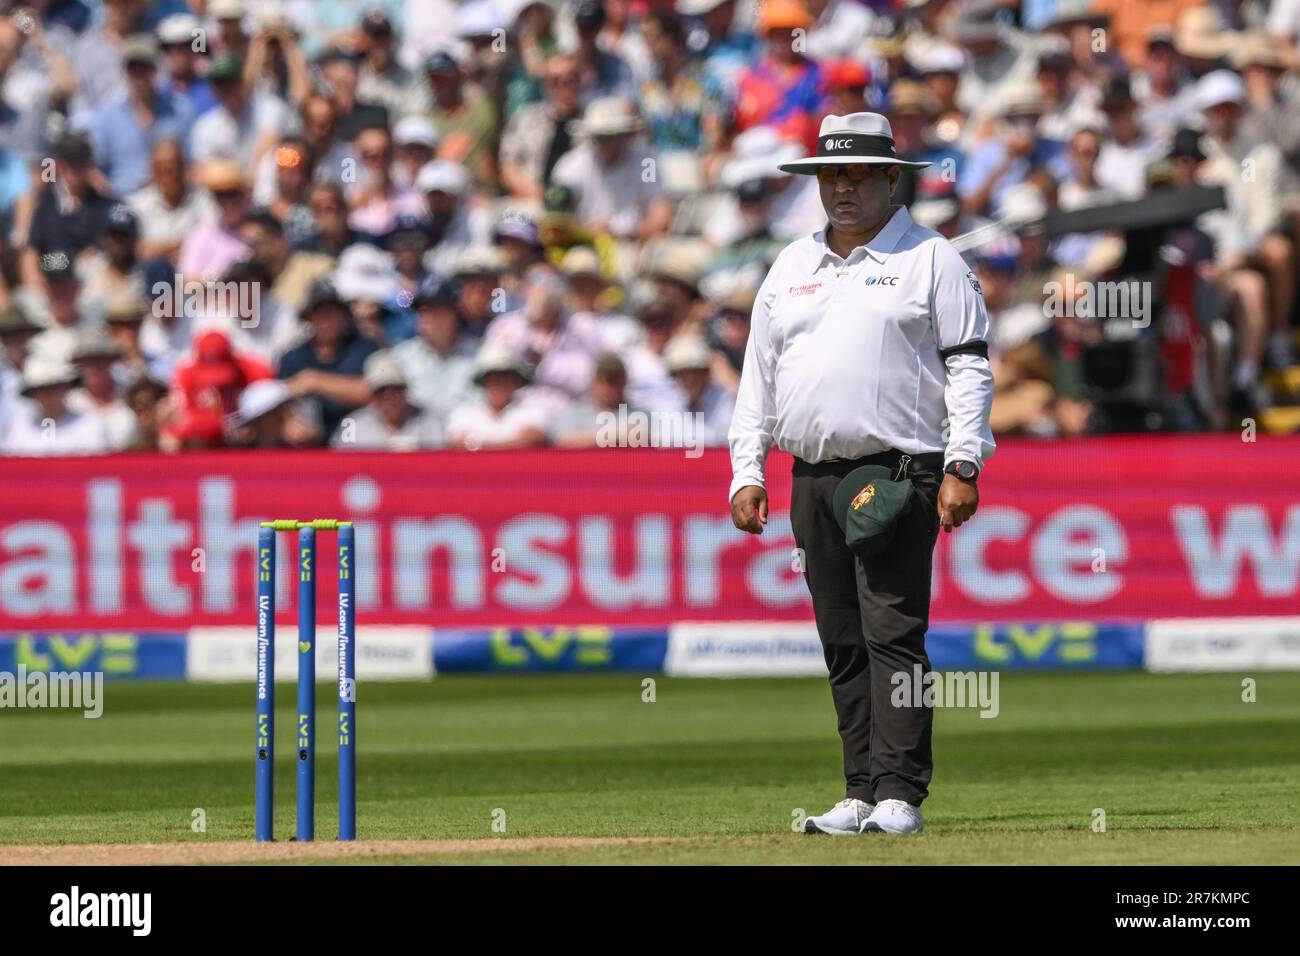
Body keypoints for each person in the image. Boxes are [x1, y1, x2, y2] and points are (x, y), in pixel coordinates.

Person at [728, 113, 994, 836]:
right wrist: (745, 470)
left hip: (899, 469)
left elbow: (969, 365)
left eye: (857, 174)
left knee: (892, 632)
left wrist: (963, 462)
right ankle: (859, 788)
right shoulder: (791, 265)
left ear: (889, 179)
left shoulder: (930, 258)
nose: (842, 188)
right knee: (840, 637)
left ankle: (900, 793)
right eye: (830, 175)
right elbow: (760, 377)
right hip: (810, 475)